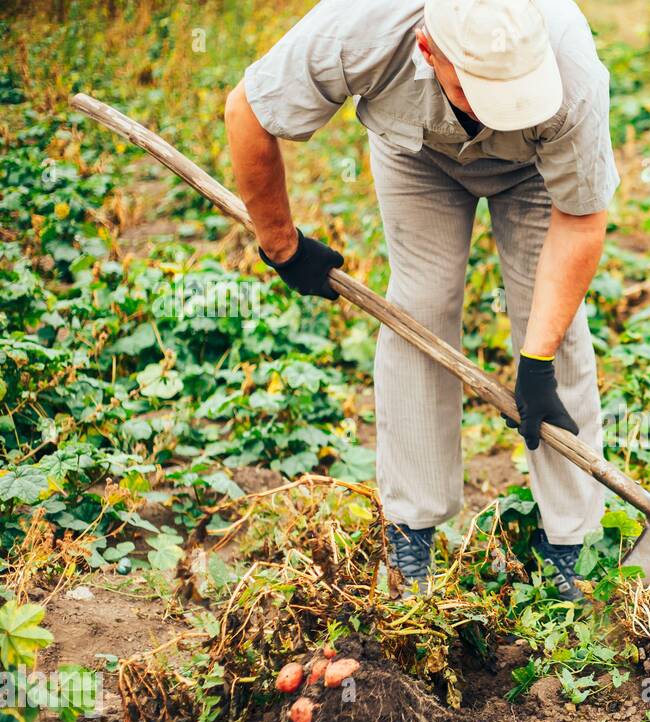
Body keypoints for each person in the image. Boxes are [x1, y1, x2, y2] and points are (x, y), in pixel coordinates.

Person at [225, 0, 620, 600]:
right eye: (481, 90)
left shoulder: (571, 65)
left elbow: (582, 218)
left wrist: (535, 362)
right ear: (429, 50)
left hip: (536, 171)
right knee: (421, 309)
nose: (501, 109)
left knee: (554, 333)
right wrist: (282, 245)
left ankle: (568, 543)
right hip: (419, 156)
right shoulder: (362, 26)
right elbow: (249, 110)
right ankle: (412, 529)